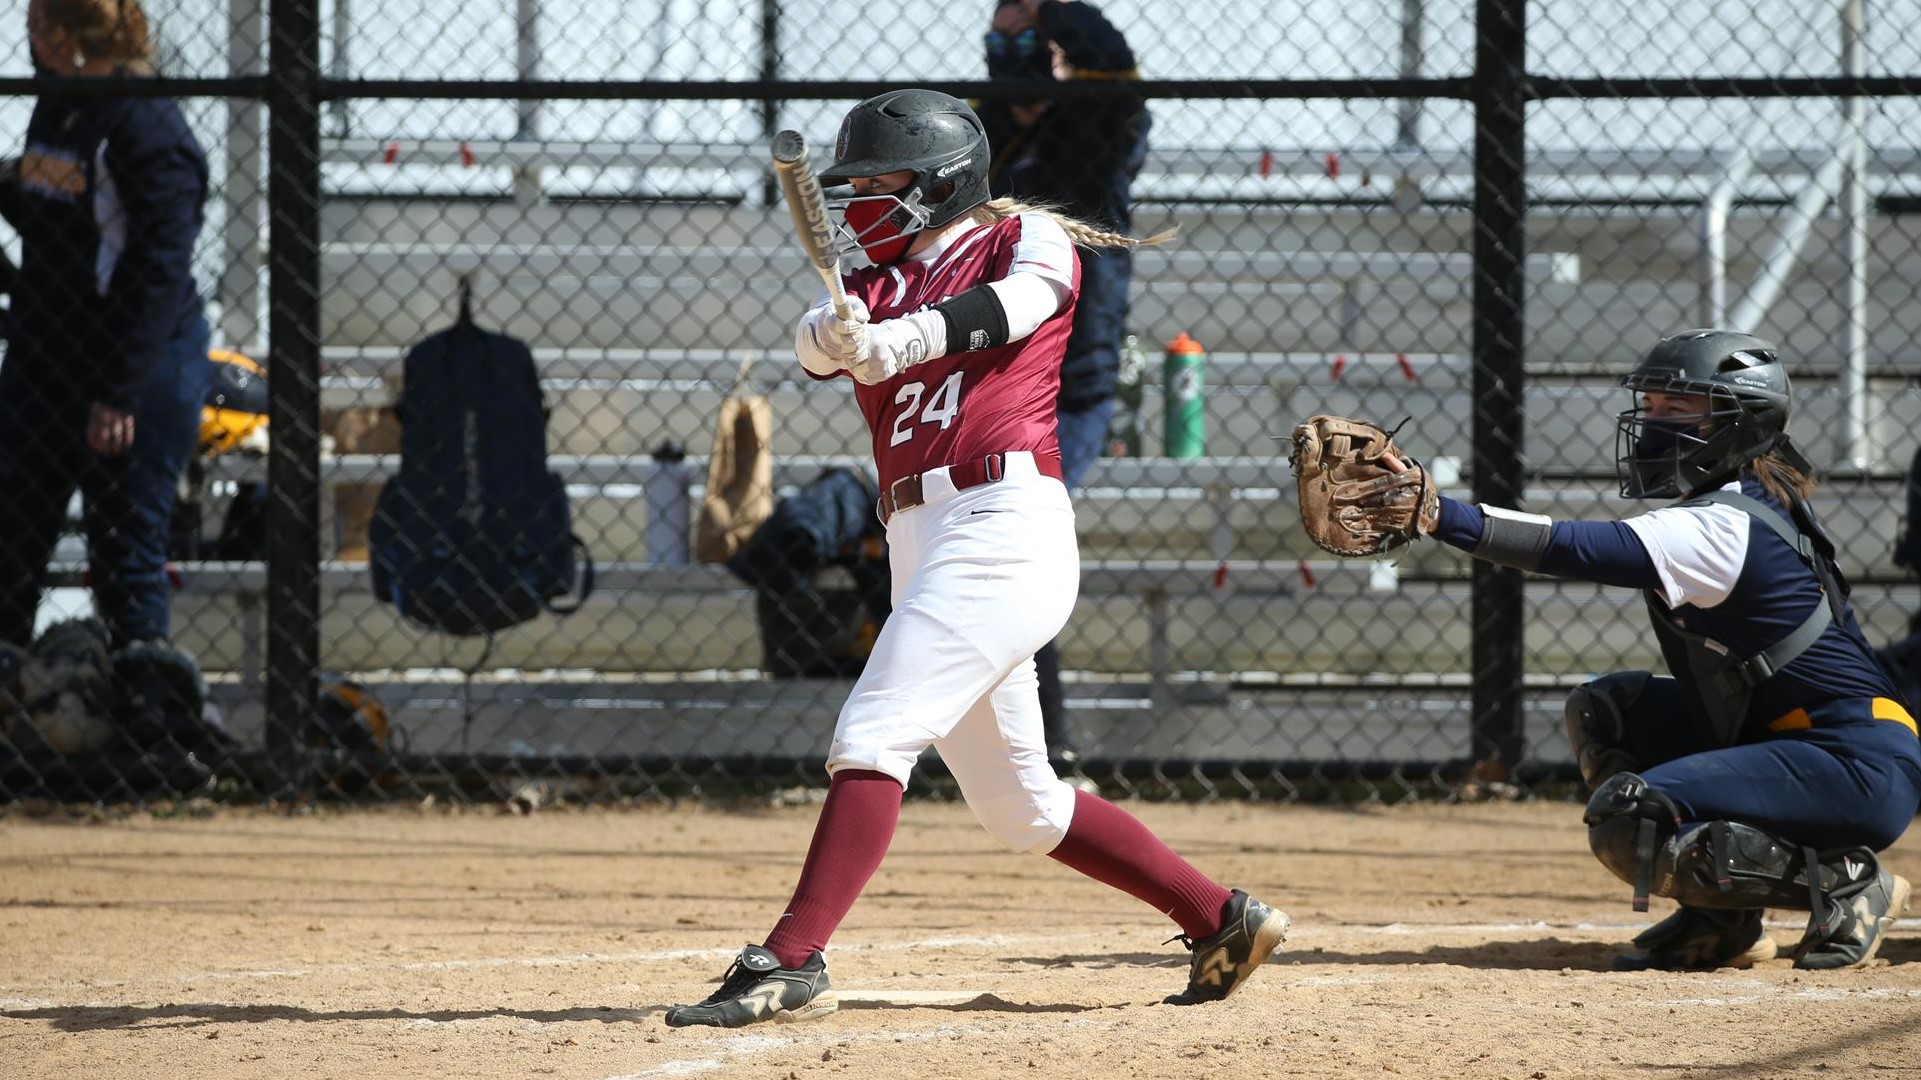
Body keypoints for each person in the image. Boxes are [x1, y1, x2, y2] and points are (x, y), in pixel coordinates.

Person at [663, 89, 1287, 1028]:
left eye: (879, 181)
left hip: (1002, 521)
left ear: (940, 181)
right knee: (1019, 806)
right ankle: (1219, 917)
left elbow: (1024, 302)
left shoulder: (1021, 237)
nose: (858, 202)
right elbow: (814, 345)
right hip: (917, 537)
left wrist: (904, 338)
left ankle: (790, 960)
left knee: (874, 731)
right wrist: (837, 334)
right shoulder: (872, 282)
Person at [1383, 329, 1918, 970]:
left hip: (1850, 764)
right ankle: (1722, 919)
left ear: (1741, 423)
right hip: (1804, 742)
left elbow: (1567, 546)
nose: (1654, 424)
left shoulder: (1722, 525)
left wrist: (1437, 514)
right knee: (1609, 712)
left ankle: (1843, 881)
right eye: (1651, 406)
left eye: (1678, 409)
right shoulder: (1743, 497)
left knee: (1628, 814)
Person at [0, 0, 214, 654]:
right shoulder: (61, 102)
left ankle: (143, 693)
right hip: (50, 352)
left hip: (133, 360)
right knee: (11, 537)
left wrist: (119, 391)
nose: (29, 43)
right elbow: (59, 222)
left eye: (37, 30)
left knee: (124, 551)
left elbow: (159, 267)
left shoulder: (144, 123)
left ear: (65, 38)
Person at [979, 0, 1151, 766]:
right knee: (980, 542)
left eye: (1032, 44)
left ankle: (1046, 746)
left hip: (1068, 392)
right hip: (985, 380)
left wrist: (1047, 10)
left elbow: (1115, 67)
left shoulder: (1098, 126)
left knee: (1017, 537)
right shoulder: (979, 139)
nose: (1017, 57)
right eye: (1003, 44)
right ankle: (1015, 744)